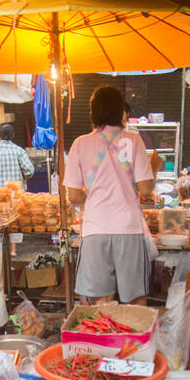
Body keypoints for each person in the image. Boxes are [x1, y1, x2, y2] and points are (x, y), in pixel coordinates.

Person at [63, 86, 155, 305]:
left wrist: (94, 198)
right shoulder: (134, 141)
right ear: (119, 111)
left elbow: (74, 196)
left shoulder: (80, 144)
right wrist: (155, 169)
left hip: (95, 229)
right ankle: (132, 339)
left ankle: (104, 339)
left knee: (101, 300)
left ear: (93, 112)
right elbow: (145, 189)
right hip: (129, 229)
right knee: (135, 299)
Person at [0, 122, 34, 189]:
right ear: (13, 135)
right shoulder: (19, 150)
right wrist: (25, 177)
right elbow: (29, 171)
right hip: (17, 194)